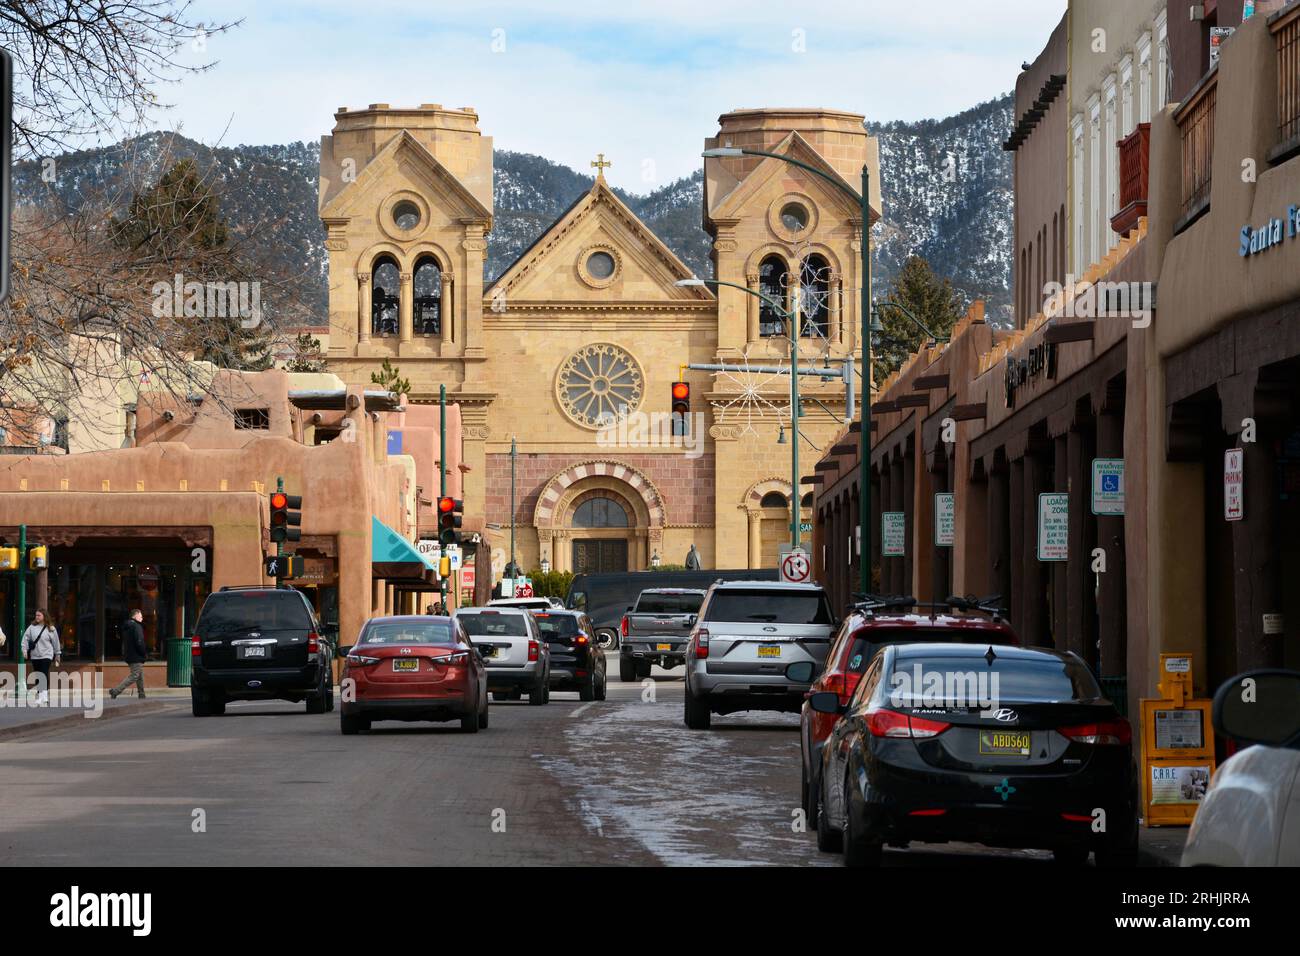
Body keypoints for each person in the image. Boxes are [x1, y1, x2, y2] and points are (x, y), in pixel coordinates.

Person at [22, 609, 60, 705]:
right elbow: (25, 638)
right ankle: (42, 696)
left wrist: (57, 654)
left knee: (43, 673)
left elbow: (56, 642)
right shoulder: (32, 627)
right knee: (38, 675)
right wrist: (24, 650)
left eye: (39, 615)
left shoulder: (51, 628)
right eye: (36, 615)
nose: (37, 617)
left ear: (44, 616)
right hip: (35, 655)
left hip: (47, 655)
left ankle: (42, 696)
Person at [109, 609, 148, 700]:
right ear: (135, 616)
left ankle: (141, 694)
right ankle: (115, 691)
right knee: (134, 675)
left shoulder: (127, 626)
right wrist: (144, 653)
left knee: (139, 675)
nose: (142, 617)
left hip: (129, 654)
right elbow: (139, 642)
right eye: (140, 615)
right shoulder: (137, 626)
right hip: (136, 656)